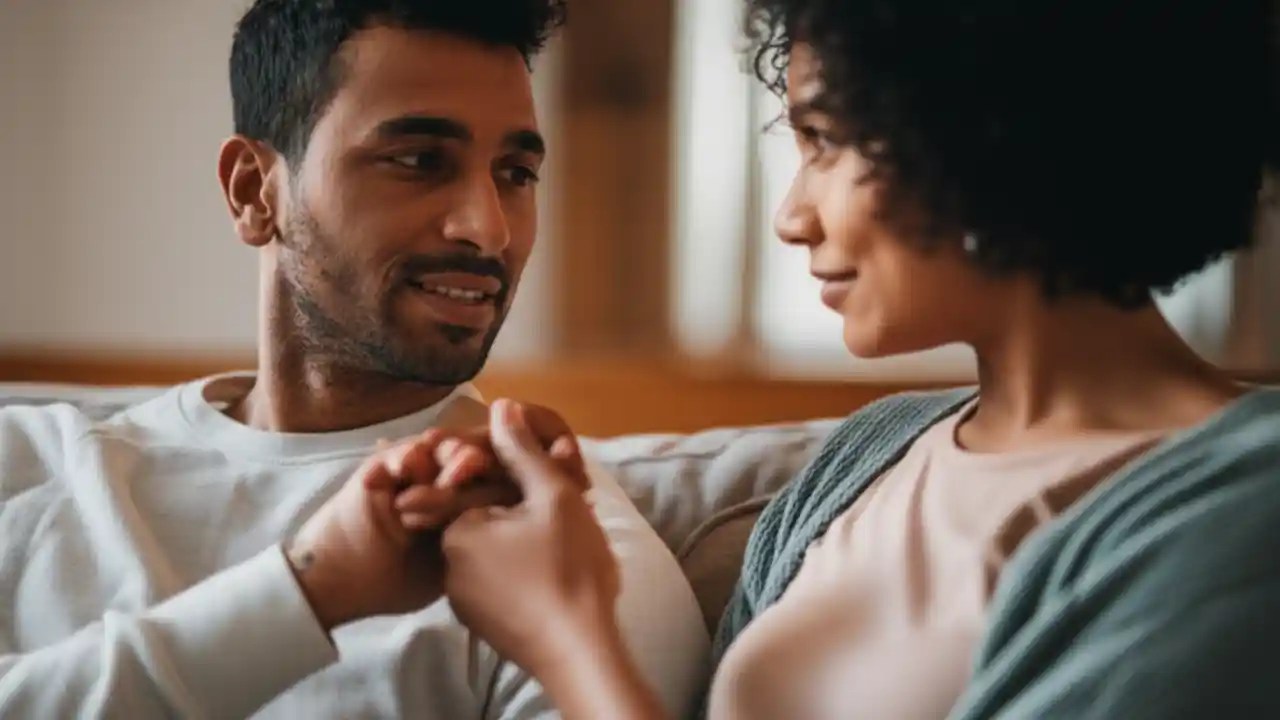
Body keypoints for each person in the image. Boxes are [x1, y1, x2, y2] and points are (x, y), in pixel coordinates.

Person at [431, 1, 1280, 718]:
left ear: (993, 128)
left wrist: (568, 636)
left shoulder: (1242, 512)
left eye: (826, 142)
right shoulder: (873, 455)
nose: (792, 217)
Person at [0, 1, 709, 717]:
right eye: (418, 161)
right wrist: (304, 589)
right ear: (253, 191)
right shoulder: (27, 464)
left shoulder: (574, 566)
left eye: (516, 173)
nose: (487, 228)